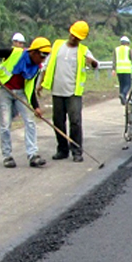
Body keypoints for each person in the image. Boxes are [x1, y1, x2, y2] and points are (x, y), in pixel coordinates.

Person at [0, 37, 52, 168]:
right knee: (5, 124)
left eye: (46, 56)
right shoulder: (14, 53)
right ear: (34, 52)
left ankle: (33, 155)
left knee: (30, 121)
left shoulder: (36, 68)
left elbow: (30, 88)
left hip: (21, 93)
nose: (43, 59)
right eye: (42, 55)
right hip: (4, 91)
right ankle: (7, 156)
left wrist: (36, 107)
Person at [38, 21, 99, 163]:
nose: (74, 38)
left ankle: (77, 151)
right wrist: (40, 84)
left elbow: (96, 65)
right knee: (58, 121)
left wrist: (92, 62)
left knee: (75, 122)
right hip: (57, 91)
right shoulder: (57, 45)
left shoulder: (83, 51)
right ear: (70, 32)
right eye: (73, 35)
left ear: (81, 39)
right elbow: (46, 65)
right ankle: (62, 150)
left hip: (73, 92)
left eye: (77, 37)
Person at [113, 36, 132, 105]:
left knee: (122, 84)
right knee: (128, 84)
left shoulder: (116, 49)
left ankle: (123, 100)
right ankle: (123, 95)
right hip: (126, 70)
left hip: (119, 70)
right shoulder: (128, 49)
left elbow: (114, 60)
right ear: (127, 43)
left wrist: (113, 69)